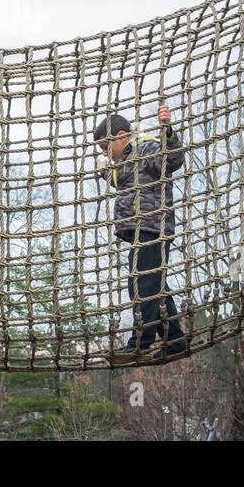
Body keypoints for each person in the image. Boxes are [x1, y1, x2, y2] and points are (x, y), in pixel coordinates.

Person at [93, 104, 187, 364]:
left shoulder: (145, 147)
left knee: (142, 285)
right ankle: (175, 341)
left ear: (122, 136)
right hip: (140, 229)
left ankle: (140, 342)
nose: (105, 153)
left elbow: (173, 159)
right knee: (154, 286)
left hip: (153, 226)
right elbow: (119, 179)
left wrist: (167, 130)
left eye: (105, 147)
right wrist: (102, 170)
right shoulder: (125, 161)